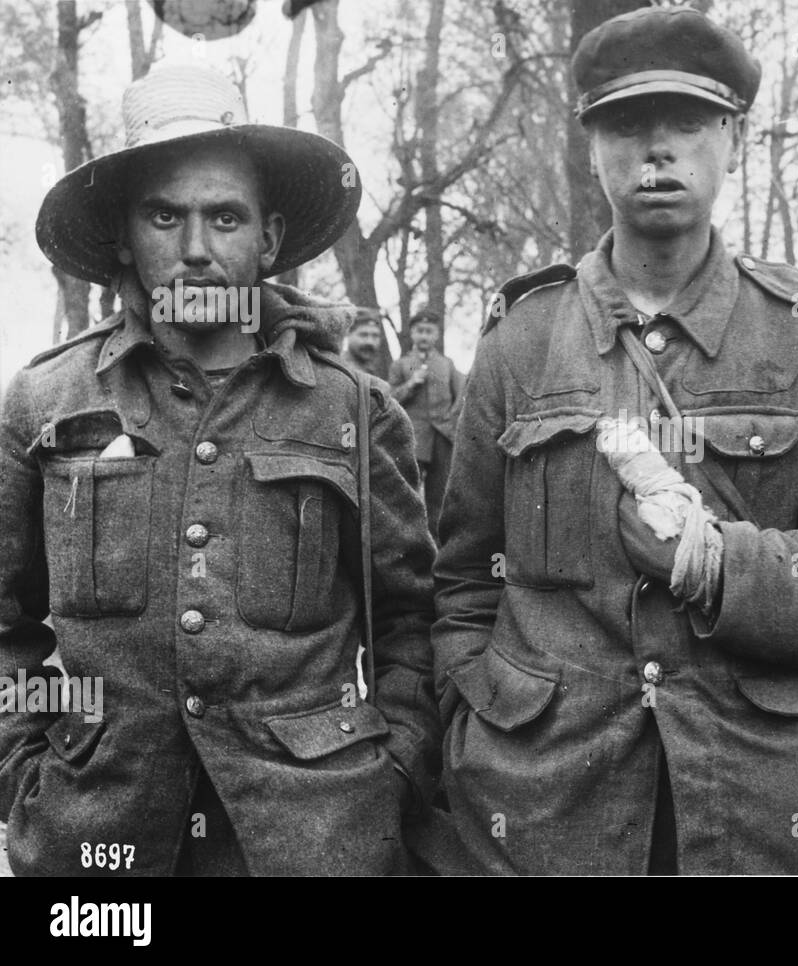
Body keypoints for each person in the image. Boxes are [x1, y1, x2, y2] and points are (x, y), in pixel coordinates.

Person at [426, 5, 798, 874]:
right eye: (626, 126)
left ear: (733, 140)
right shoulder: (519, 341)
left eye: (687, 124)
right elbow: (464, 580)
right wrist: (475, 723)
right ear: (591, 147)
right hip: (548, 807)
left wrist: (718, 562)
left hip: (760, 806)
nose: (657, 152)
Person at [0, 65, 440, 875]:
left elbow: (411, 617)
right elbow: (4, 632)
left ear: (268, 239)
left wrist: (392, 769)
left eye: (225, 217)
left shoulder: (348, 406)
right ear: (123, 234)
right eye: (164, 215)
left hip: (311, 837)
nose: (196, 249)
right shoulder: (43, 401)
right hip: (99, 838)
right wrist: (29, 761)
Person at [388, 309, 467, 535]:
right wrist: (411, 383)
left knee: (440, 496)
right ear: (412, 333)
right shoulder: (400, 365)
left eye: (429, 331)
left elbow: (460, 397)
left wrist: (451, 424)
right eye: (419, 331)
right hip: (412, 438)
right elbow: (389, 399)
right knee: (408, 492)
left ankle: (438, 547)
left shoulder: (447, 364)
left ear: (436, 335)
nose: (424, 336)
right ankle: (408, 542)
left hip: (443, 438)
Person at [341, 310, 388, 379]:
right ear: (348, 333)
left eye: (375, 336)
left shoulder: (373, 369)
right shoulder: (339, 367)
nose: (370, 342)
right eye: (363, 335)